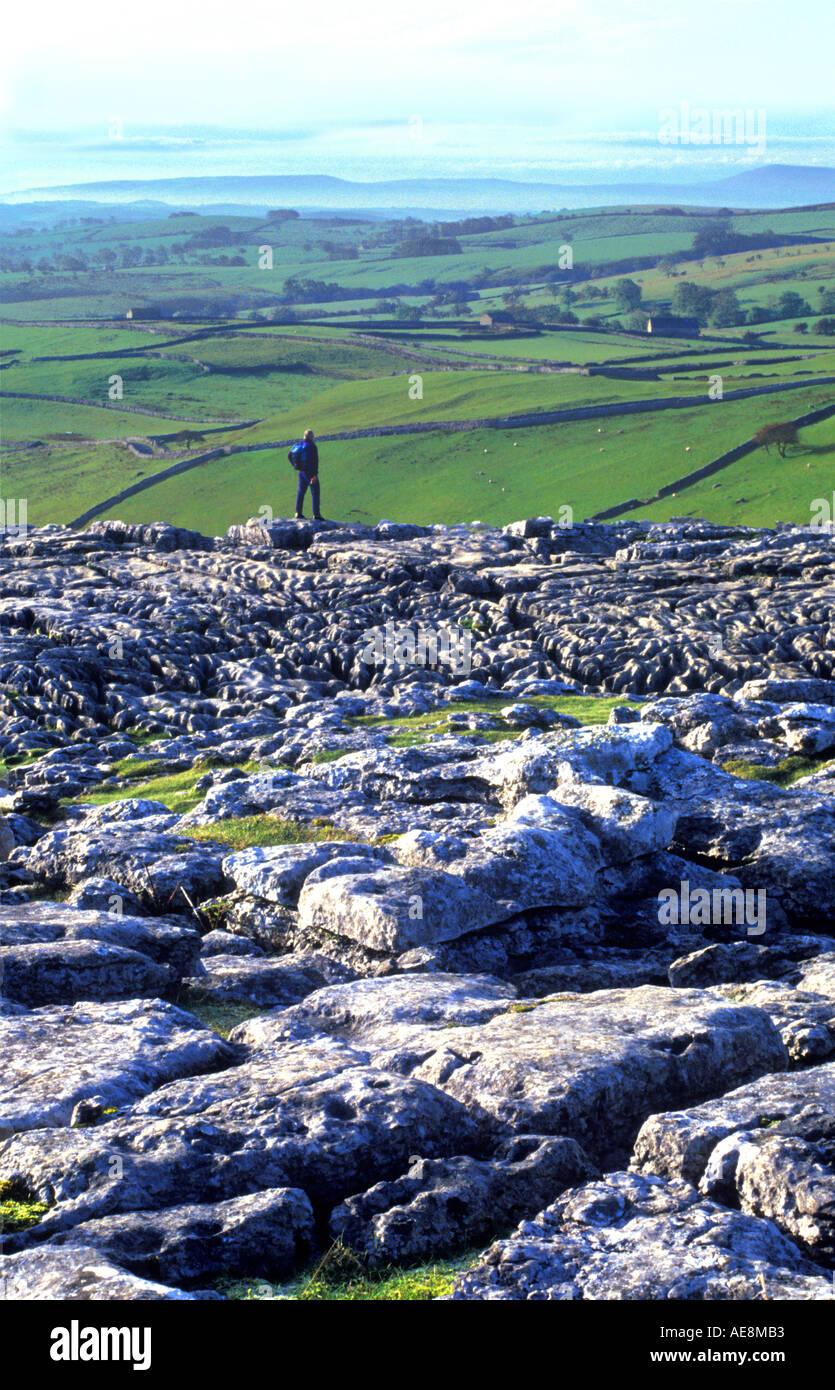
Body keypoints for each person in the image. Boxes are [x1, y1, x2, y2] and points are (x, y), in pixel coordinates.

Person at [290, 428, 323, 520]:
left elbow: (289, 455)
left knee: (301, 492)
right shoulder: (312, 446)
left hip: (301, 472)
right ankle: (316, 515)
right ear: (311, 436)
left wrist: (296, 466)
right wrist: (314, 475)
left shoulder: (299, 444)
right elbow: (315, 462)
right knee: (315, 493)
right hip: (310, 473)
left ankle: (298, 513)